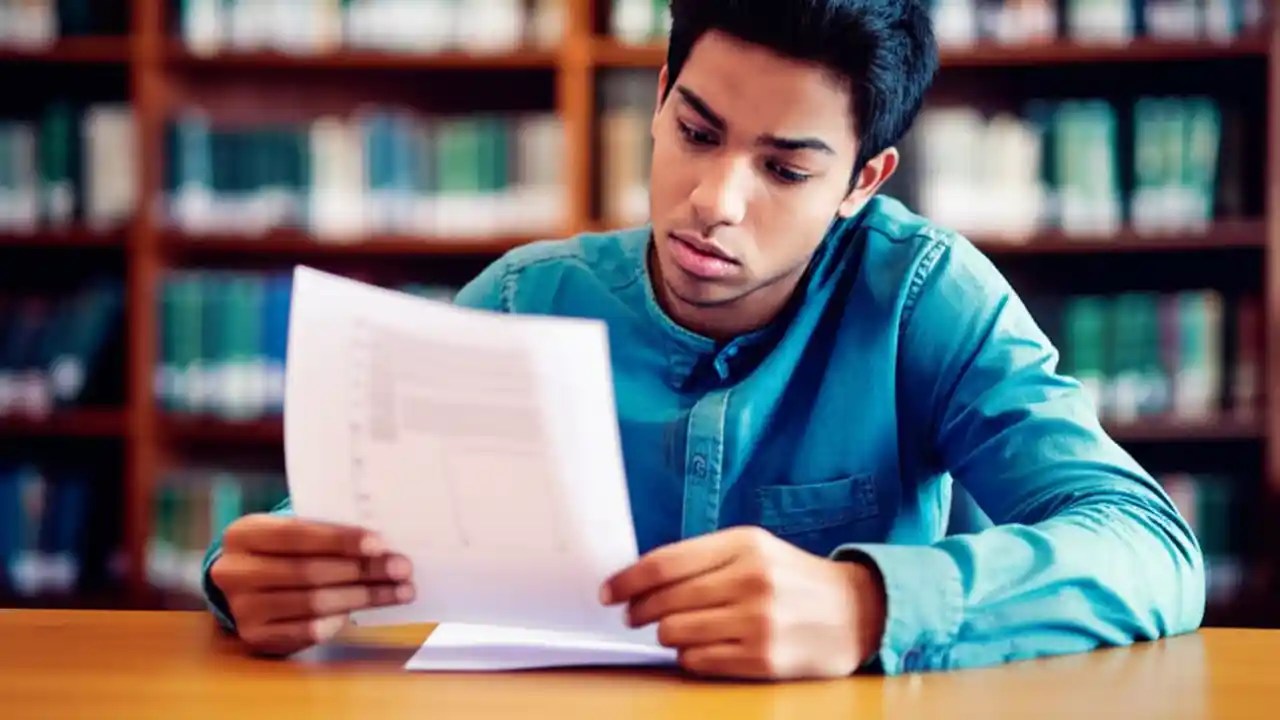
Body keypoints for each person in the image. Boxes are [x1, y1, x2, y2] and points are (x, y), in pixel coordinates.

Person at [201, 0, 1205, 679]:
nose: (712, 202)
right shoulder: (521, 299)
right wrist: (245, 576)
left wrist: (866, 607)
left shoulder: (922, 300)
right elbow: (307, 532)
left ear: (862, 181)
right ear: (656, 102)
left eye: (784, 169)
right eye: (696, 132)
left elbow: (1150, 549)